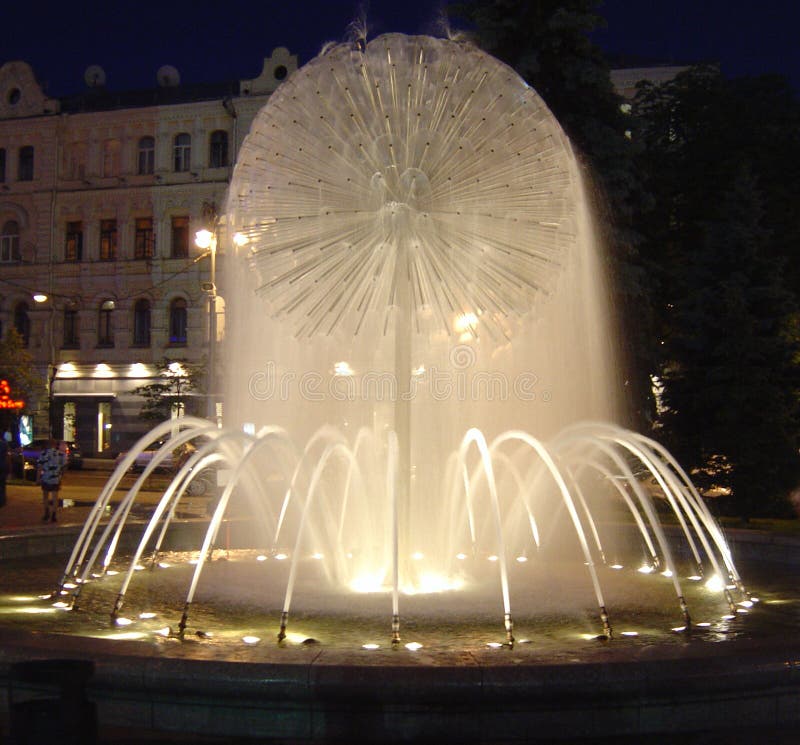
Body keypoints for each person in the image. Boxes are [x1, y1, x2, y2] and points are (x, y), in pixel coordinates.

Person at [36, 438, 66, 523]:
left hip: (46, 478)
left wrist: (38, 479)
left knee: (45, 496)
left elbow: (40, 467)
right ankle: (54, 514)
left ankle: (46, 513)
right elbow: (64, 467)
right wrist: (61, 476)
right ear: (55, 445)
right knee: (55, 497)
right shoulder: (61, 454)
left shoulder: (43, 453)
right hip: (56, 479)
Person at [0, 436, 9, 508]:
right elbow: (7, 455)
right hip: (3, 465)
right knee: (2, 483)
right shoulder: (4, 443)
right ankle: (2, 500)